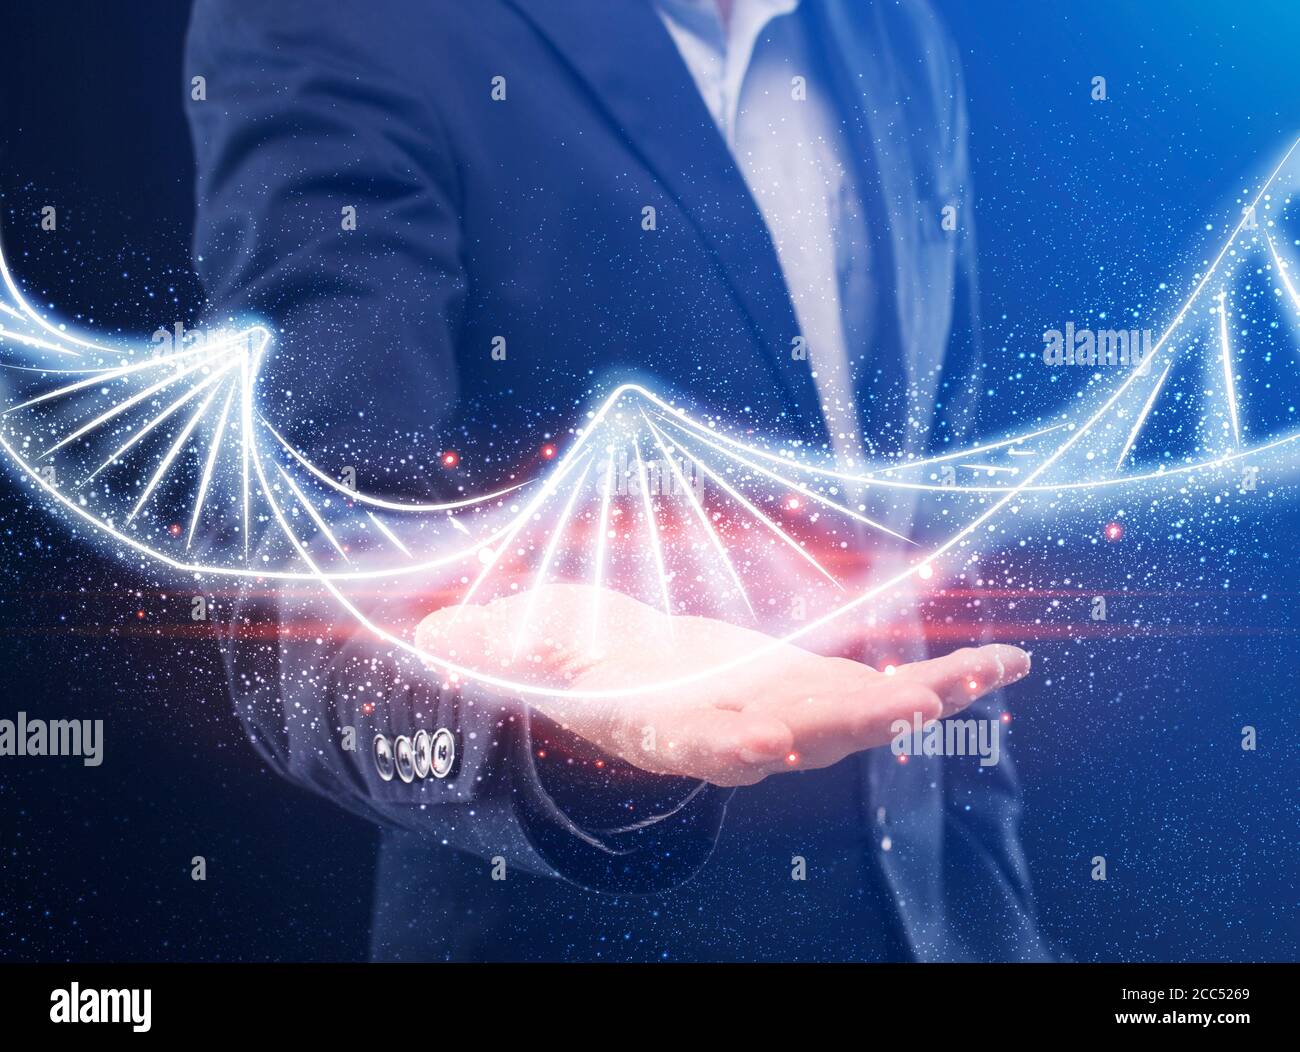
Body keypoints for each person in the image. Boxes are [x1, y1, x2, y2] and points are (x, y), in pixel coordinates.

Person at [187, 0, 1054, 961]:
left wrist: (997, 922)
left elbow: (931, 548)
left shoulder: (893, 27)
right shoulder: (344, 20)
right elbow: (308, 583)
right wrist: (558, 719)